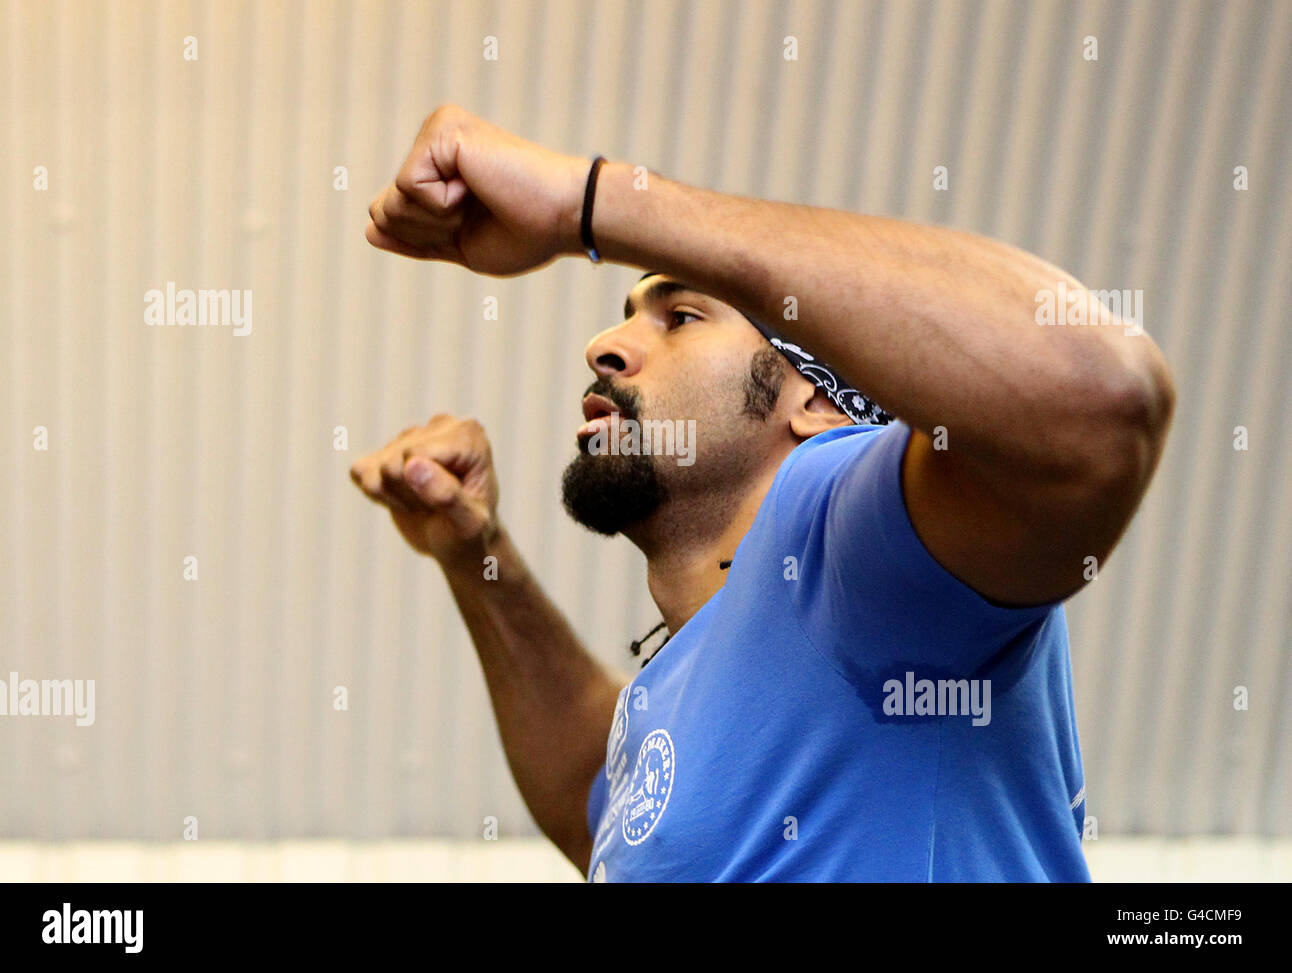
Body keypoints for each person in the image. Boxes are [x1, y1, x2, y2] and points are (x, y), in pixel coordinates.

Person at [349, 105, 1175, 881]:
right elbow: (602, 801)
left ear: (816, 402)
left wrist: (587, 202)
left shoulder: (853, 536)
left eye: (681, 317)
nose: (603, 345)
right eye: (627, 316)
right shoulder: (687, 680)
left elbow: (1101, 397)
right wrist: (473, 552)